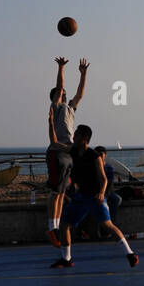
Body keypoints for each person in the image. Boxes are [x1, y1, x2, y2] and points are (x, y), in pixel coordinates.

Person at [48, 120, 138, 270]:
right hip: (80, 197)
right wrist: (51, 121)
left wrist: (102, 193)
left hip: (94, 197)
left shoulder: (94, 156)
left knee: (107, 225)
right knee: (64, 226)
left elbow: (103, 178)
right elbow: (54, 143)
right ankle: (66, 259)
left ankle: (130, 254)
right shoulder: (73, 150)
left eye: (75, 135)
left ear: (83, 138)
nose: (73, 137)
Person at [46, 56, 88, 247]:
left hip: (68, 152)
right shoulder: (56, 107)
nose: (64, 94)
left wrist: (83, 73)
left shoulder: (71, 108)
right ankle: (52, 228)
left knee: (63, 193)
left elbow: (80, 93)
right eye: (62, 93)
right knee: (56, 193)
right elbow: (60, 86)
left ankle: (56, 226)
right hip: (56, 152)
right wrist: (61, 67)